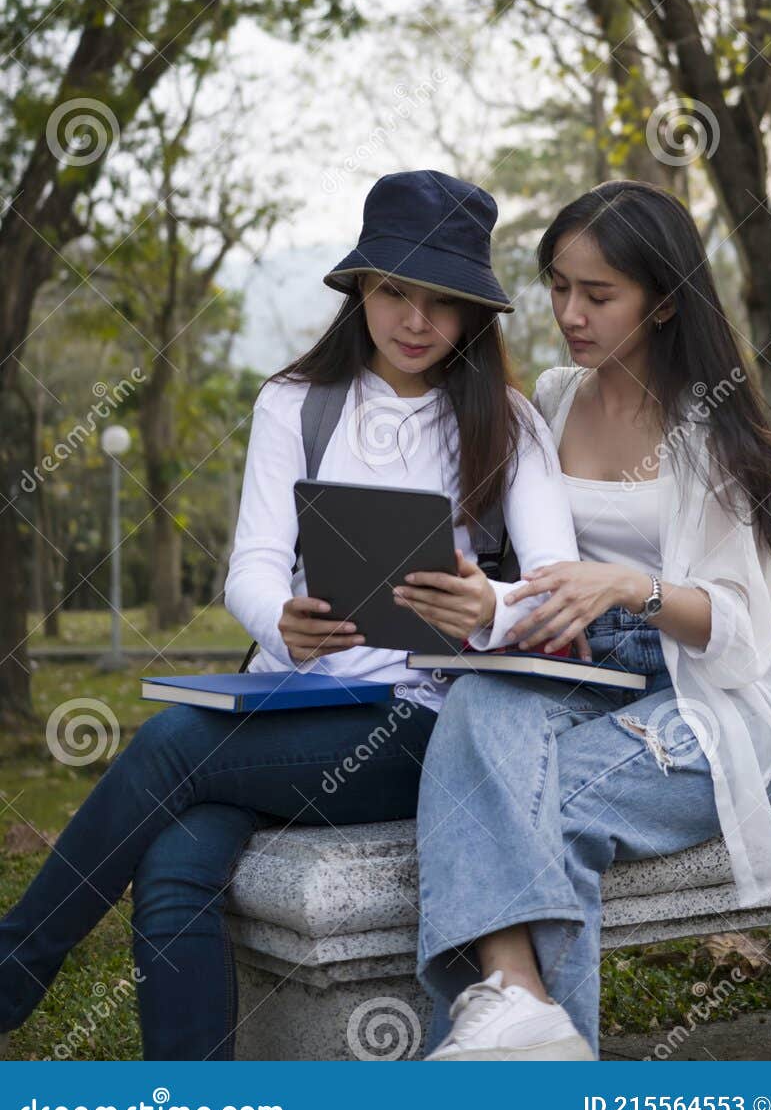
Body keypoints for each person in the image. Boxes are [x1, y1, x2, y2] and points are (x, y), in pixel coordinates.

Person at [0, 169, 576, 1061]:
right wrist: (283, 621)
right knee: (174, 868)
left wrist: (487, 603)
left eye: (442, 302)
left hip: (422, 728)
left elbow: (555, 588)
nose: (414, 321)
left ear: (475, 314)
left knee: (172, 743)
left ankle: (12, 975)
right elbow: (254, 567)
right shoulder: (296, 403)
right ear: (358, 288)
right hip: (292, 707)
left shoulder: (510, 425)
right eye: (393, 291)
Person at [413, 179, 771, 1061]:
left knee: (536, 810)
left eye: (598, 294)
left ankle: (537, 1062)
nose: (569, 312)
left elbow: (741, 633)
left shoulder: (708, 432)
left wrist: (627, 584)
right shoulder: (555, 399)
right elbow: (529, 563)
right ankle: (517, 1004)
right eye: (558, 286)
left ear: (665, 302)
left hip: (706, 692)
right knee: (473, 710)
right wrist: (481, 599)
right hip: (580, 664)